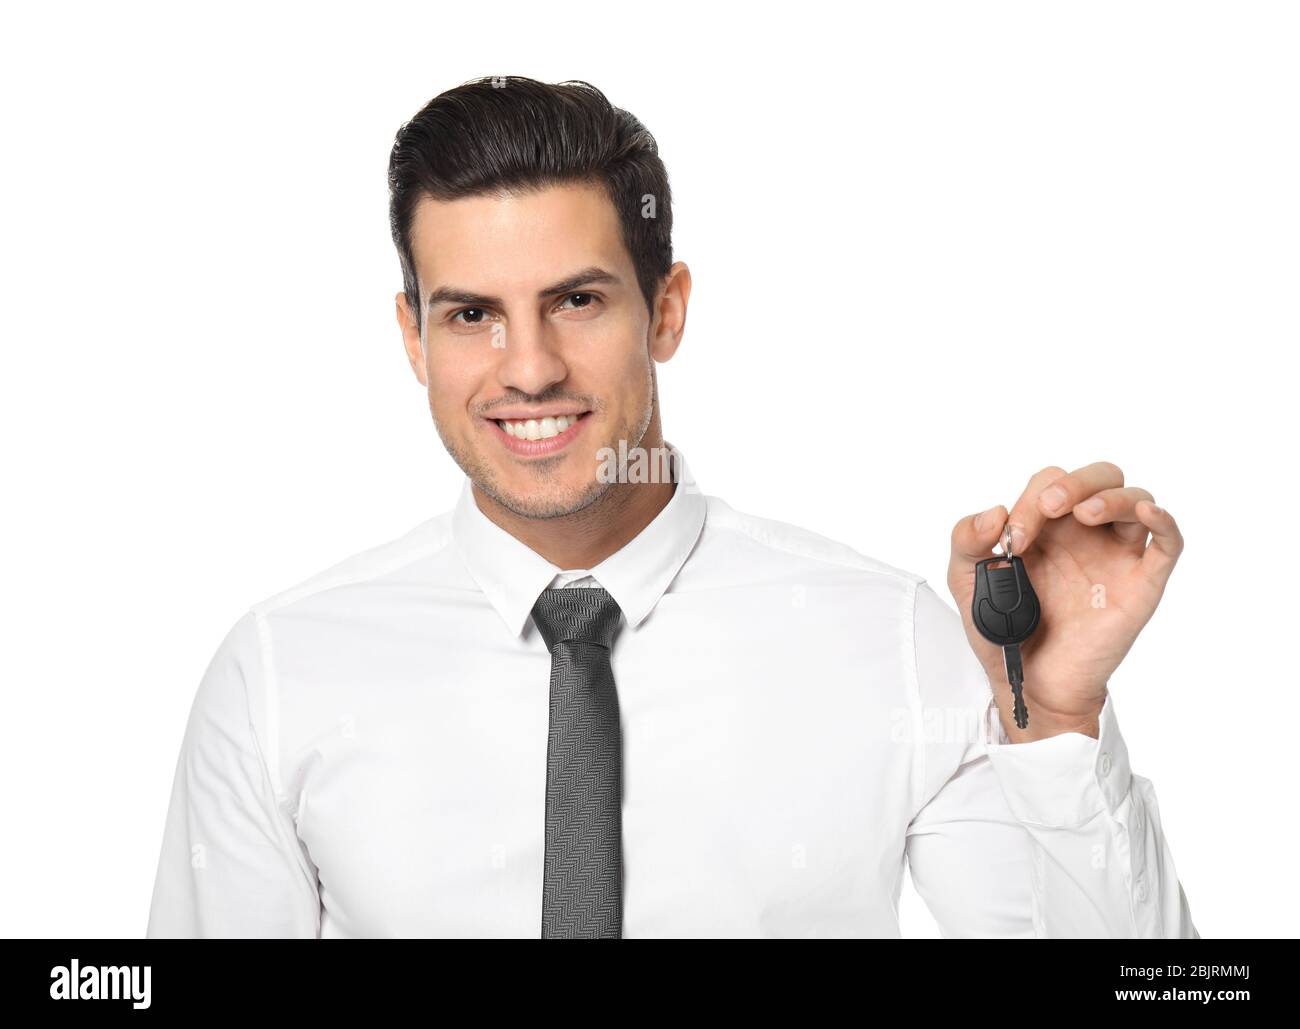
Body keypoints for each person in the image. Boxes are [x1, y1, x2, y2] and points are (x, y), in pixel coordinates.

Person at [146, 76, 1197, 939]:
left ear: (668, 309)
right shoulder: (282, 672)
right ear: (413, 338)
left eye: (577, 299)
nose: (528, 368)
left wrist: (1050, 716)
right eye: (471, 314)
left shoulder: (890, 638)